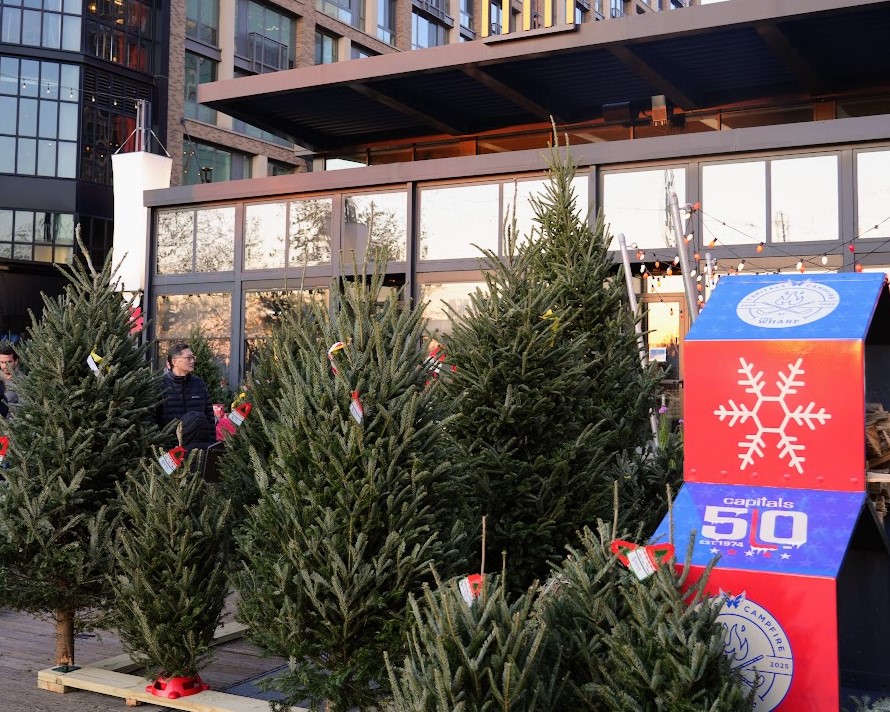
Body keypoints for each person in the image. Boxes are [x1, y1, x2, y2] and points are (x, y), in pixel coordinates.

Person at [157, 342, 216, 452]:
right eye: (188, 358)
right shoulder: (160, 385)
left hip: (198, 450)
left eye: (193, 357)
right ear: (175, 361)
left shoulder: (199, 384)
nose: (193, 361)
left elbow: (210, 417)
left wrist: (211, 445)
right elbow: (153, 421)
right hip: (171, 450)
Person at [0, 345, 20, 415]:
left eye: (8, 362)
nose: (4, 366)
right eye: (2, 362)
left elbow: (24, 408)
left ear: (16, 361)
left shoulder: (23, 382)